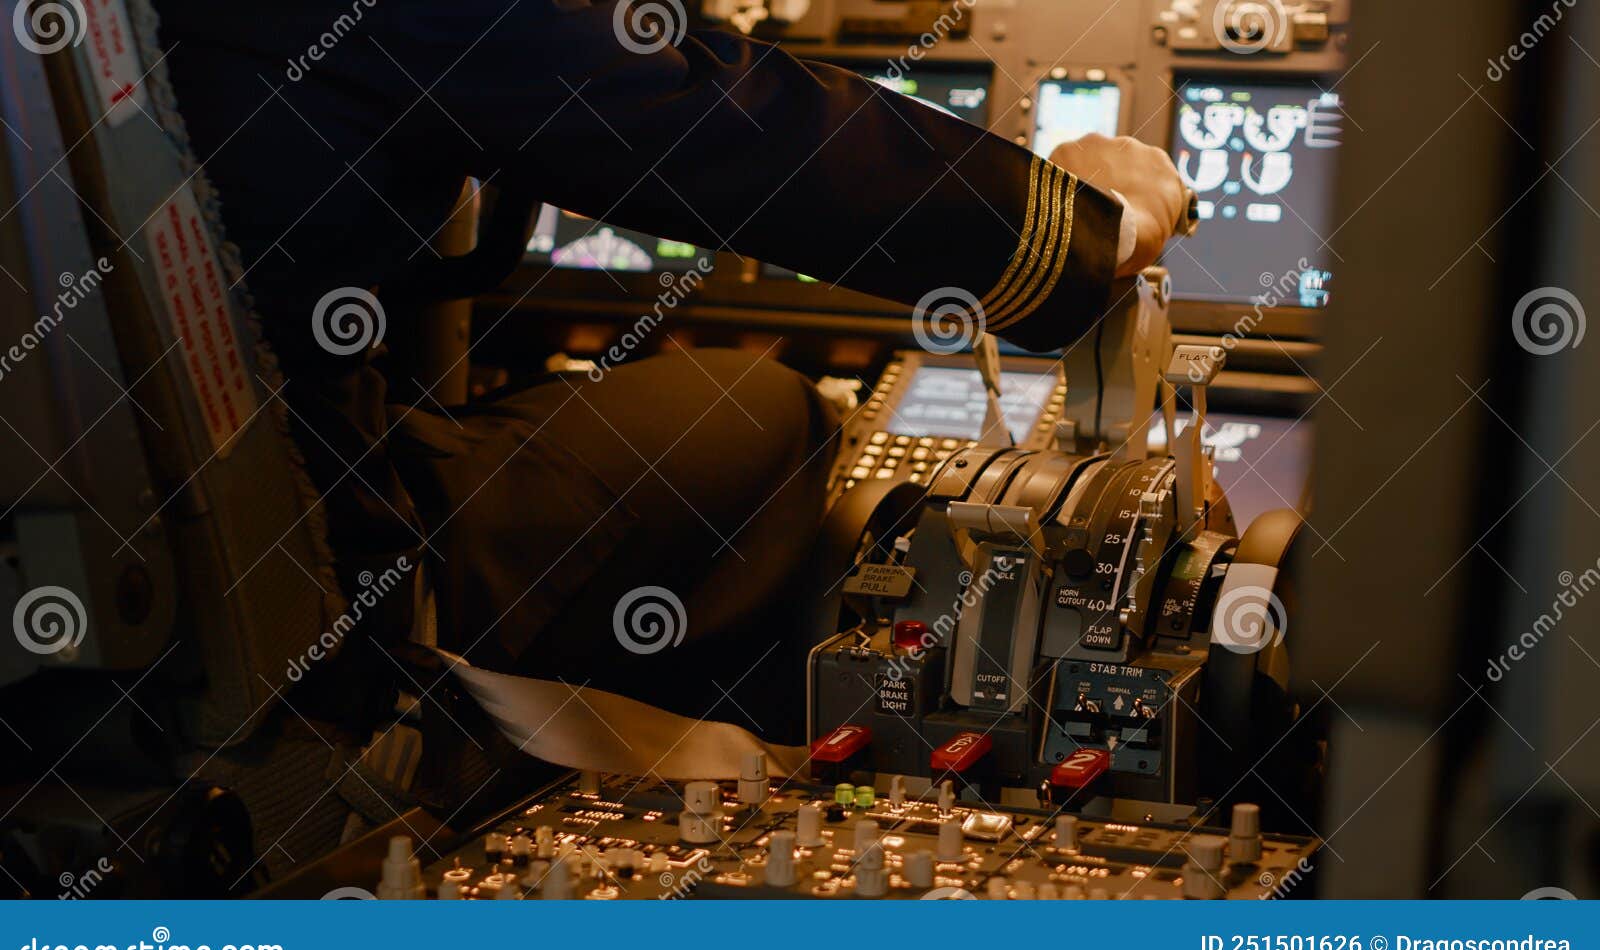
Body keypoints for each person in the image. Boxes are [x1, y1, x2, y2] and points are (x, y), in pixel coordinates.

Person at [149, 1, 1189, 731]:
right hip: (297, 569)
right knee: (754, 407)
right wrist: (1075, 226)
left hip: (124, 559)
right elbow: (710, 125)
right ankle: (481, 766)